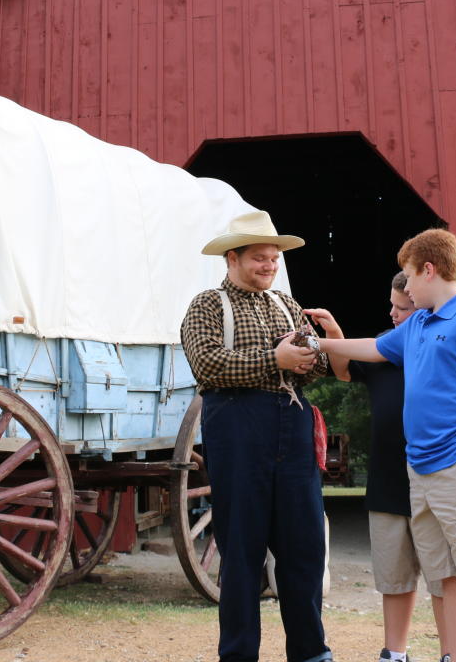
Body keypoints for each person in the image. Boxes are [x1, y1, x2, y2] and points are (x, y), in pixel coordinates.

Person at [317, 229, 456, 662]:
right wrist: (318, 343)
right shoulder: (419, 324)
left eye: (410, 277)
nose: (406, 288)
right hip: (421, 472)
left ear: (430, 270)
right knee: (448, 579)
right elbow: (373, 348)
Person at [180, 210, 333, 662]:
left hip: (293, 425)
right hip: (238, 430)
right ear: (232, 258)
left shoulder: (286, 304)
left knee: (304, 549)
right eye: (259, 258)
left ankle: (310, 654)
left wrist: (309, 359)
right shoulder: (207, 305)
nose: (269, 266)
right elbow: (206, 364)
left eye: (273, 259)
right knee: (242, 552)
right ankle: (239, 654)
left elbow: (316, 365)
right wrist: (276, 360)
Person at [306, 273, 456, 662]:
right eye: (393, 306)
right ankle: (393, 654)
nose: (393, 314)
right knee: (394, 579)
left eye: (403, 308)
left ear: (426, 308)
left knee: (444, 579)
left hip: (436, 477)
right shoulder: (384, 347)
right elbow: (344, 370)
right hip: (387, 480)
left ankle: (452, 654)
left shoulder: (442, 347)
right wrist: (333, 332)